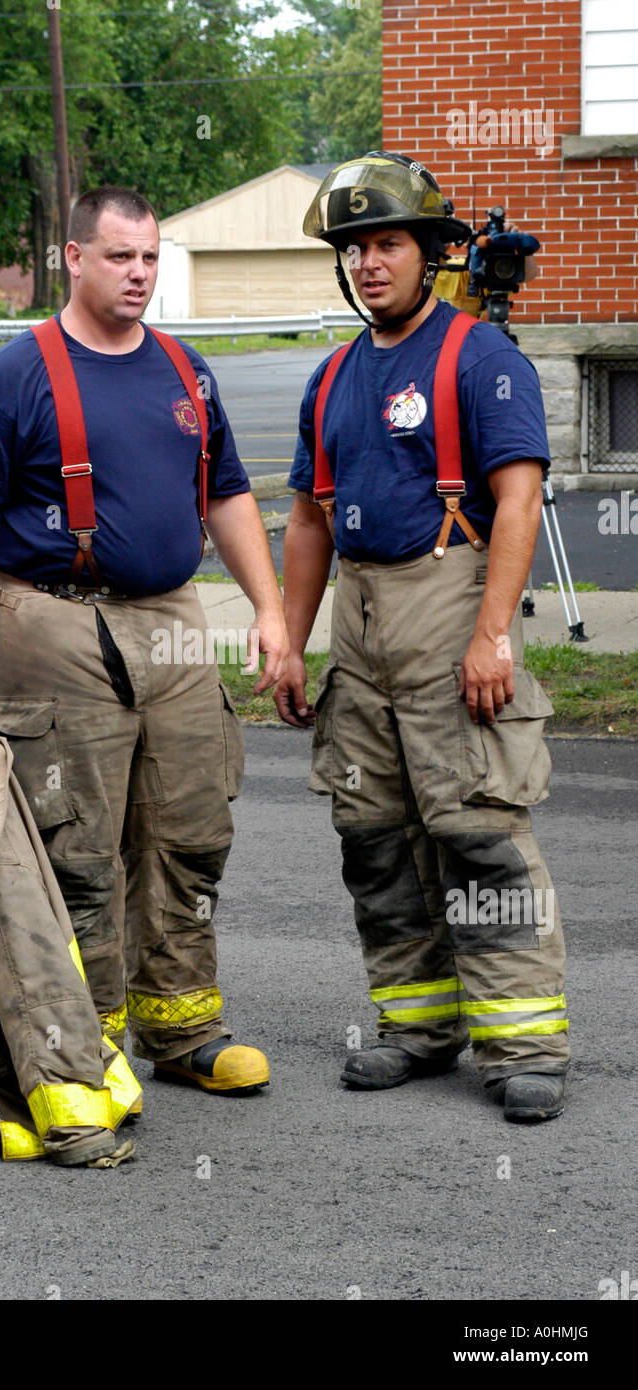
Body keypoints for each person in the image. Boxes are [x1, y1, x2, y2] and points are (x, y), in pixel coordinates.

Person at [0, 184, 288, 1099]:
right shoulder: (12, 376)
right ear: (75, 259)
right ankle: (87, 1039)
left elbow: (229, 493)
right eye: (122, 257)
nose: (140, 274)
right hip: (51, 624)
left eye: (152, 258)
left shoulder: (186, 371)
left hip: (171, 621)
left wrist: (272, 611)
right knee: (76, 846)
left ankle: (183, 1026)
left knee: (190, 828)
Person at [274, 152, 569, 1123]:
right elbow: (310, 518)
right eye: (352, 249)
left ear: (431, 254)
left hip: (447, 608)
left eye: (385, 244)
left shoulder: (478, 357)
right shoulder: (330, 378)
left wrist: (493, 635)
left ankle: (520, 1040)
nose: (366, 264)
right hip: (357, 627)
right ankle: (417, 1026)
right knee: (373, 839)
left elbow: (517, 500)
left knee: (476, 831)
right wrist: (286, 634)